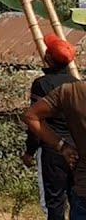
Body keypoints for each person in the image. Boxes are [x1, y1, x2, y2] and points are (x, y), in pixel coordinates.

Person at [25, 48, 86, 220]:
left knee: (54, 201)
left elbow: (32, 117)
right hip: (74, 151)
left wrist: (31, 150)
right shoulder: (73, 82)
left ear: (48, 59)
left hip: (59, 151)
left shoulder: (68, 90)